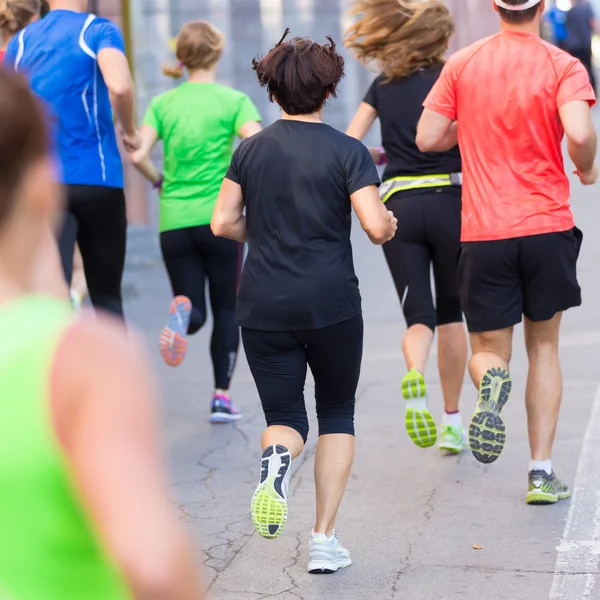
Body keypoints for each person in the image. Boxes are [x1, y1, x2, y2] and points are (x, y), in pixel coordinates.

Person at [0, 68, 203, 600]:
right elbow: (153, 563)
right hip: (205, 221)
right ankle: (203, 336)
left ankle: (190, 309)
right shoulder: (80, 356)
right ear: (43, 191)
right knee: (218, 304)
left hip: (175, 216)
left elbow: (143, 148)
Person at [211, 30, 397, 572]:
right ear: (329, 89)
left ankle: (277, 461)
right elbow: (373, 224)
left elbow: (223, 222)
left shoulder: (250, 150)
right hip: (331, 304)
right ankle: (322, 540)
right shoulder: (348, 151)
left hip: (264, 305)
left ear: (272, 92)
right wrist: (387, 222)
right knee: (337, 411)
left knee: (285, 415)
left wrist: (266, 234)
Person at [417, 0, 597, 504]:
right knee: (544, 348)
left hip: (484, 231)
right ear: (541, 6)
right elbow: (580, 132)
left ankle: (491, 379)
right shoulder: (563, 65)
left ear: (495, 6)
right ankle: (540, 474)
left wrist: (469, 126)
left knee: (489, 351)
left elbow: (428, 135)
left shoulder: (463, 63)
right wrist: (587, 166)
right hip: (546, 227)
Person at [345, 0, 468, 454]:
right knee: (452, 314)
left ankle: (414, 371)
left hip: (398, 203)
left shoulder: (382, 84)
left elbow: (350, 143)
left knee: (419, 316)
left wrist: (386, 157)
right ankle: (453, 422)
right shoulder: (454, 79)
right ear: (440, 39)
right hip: (451, 202)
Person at [130, 21, 262, 423]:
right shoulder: (233, 100)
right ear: (217, 54)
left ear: (182, 58)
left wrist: (158, 182)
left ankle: (184, 314)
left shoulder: (163, 104)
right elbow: (256, 143)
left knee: (193, 305)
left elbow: (137, 155)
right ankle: (221, 397)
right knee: (227, 308)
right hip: (219, 220)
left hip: (174, 220)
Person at [4, 0, 141, 319]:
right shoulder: (98, 30)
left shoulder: (22, 41)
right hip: (99, 178)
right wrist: (130, 131)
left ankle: (51, 364)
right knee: (107, 299)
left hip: (46, 186)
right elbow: (119, 85)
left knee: (51, 297)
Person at [565, 0, 598, 93]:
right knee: (589, 67)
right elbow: (593, 23)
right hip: (585, 43)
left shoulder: (571, 11)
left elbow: (567, 28)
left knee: (575, 70)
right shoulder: (587, 8)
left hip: (573, 45)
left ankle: (577, 91)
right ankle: (593, 91)